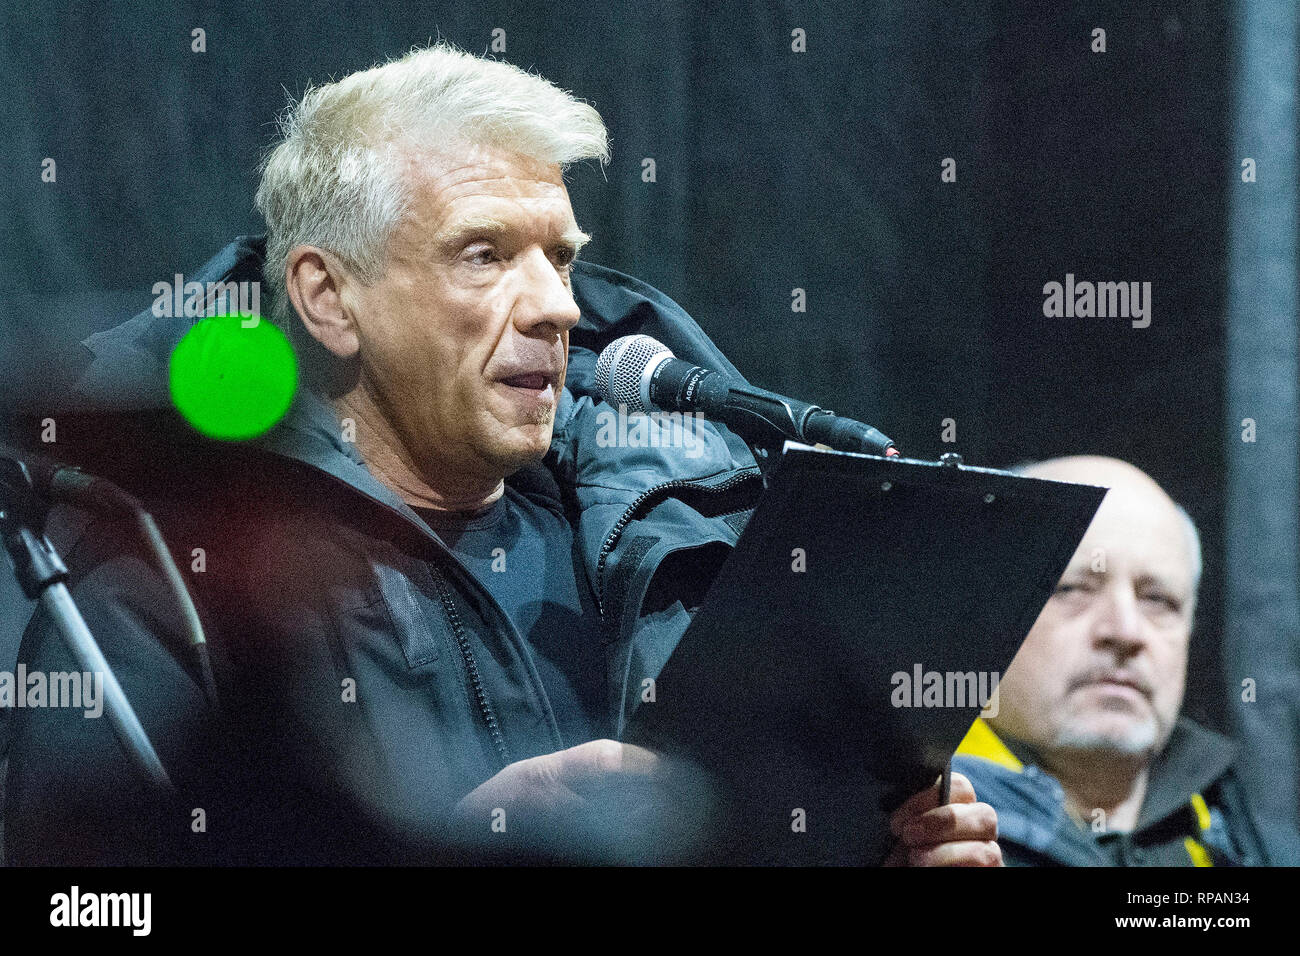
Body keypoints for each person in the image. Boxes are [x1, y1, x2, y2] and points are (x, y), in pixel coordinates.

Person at [3, 43, 999, 865]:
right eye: (484, 253)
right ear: (326, 297)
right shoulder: (184, 570)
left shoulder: (689, 540)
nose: (558, 304)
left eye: (561, 256)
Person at [954, 456, 1269, 865]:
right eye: (1071, 588)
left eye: (1158, 600)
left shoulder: (1240, 834)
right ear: (973, 618)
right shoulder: (900, 831)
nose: (1125, 631)